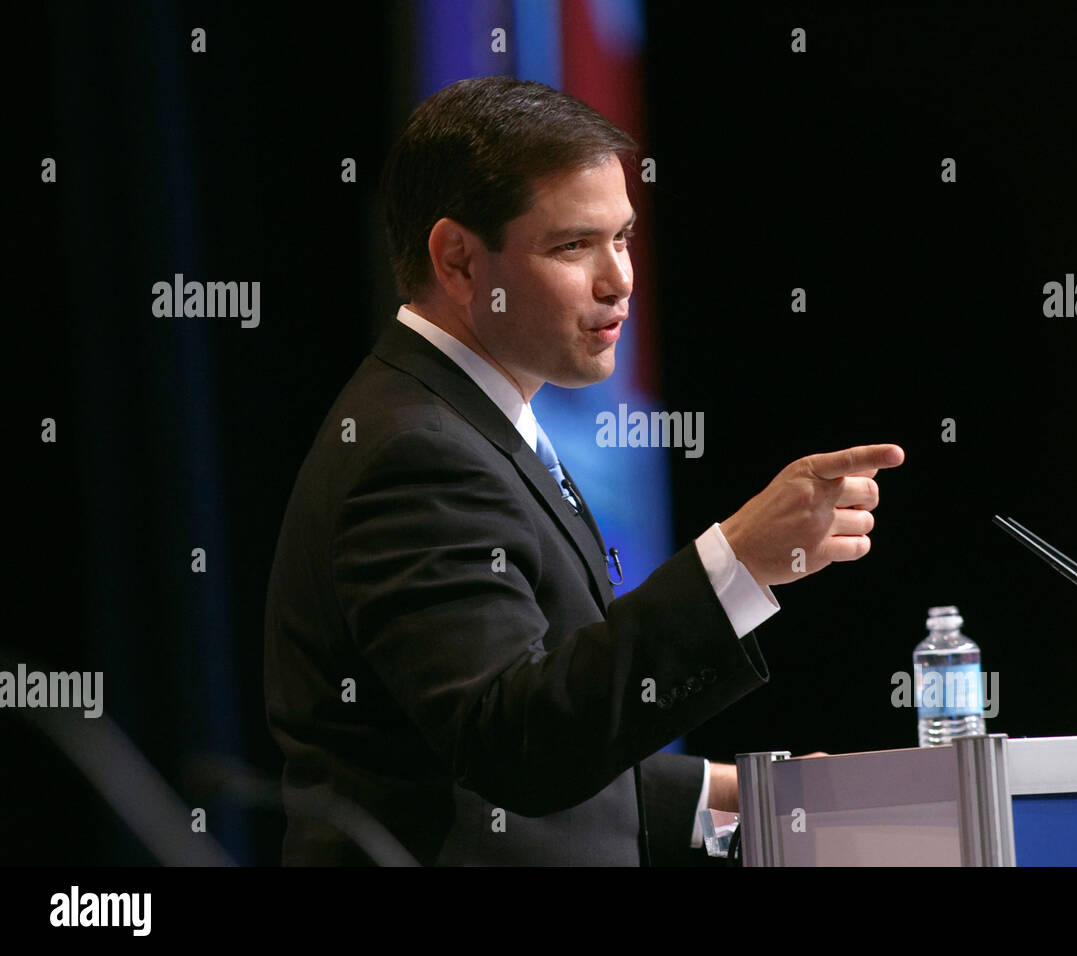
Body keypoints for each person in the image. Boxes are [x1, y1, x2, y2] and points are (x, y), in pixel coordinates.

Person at [263, 75, 904, 866]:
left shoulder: (475, 423)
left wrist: (736, 793)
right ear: (458, 260)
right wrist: (733, 560)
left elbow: (514, 738)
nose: (620, 279)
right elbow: (514, 746)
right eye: (573, 245)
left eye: (623, 237)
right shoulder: (416, 452)